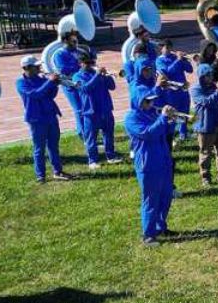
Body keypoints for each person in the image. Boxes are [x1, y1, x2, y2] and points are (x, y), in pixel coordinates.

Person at [125, 89, 175, 245]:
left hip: (163, 159)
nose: (151, 104)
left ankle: (160, 227)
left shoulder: (153, 113)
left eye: (152, 100)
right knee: (151, 200)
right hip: (148, 162)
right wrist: (163, 119)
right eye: (147, 101)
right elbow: (147, 133)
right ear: (138, 101)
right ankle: (148, 234)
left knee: (166, 196)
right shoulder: (131, 118)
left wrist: (170, 122)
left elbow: (163, 132)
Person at [15, 55, 71, 183]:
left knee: (53, 146)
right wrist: (49, 82)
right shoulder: (21, 82)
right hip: (36, 118)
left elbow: (50, 95)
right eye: (36, 66)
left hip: (50, 114)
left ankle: (58, 171)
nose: (39, 68)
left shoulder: (40, 78)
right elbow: (35, 95)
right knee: (39, 148)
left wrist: (55, 85)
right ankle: (40, 175)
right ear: (26, 68)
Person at [73, 52, 120, 170]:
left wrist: (107, 76)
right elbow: (85, 89)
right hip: (91, 112)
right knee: (91, 137)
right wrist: (97, 76)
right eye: (87, 63)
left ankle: (111, 156)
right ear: (80, 64)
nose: (90, 65)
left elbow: (112, 87)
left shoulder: (97, 74)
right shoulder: (77, 77)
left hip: (106, 109)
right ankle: (92, 160)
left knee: (108, 134)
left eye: (92, 62)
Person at [190, 63, 218, 186]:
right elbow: (206, 102)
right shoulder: (195, 89)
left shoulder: (215, 87)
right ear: (201, 76)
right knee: (206, 153)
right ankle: (206, 177)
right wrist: (217, 92)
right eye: (208, 75)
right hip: (205, 125)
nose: (211, 77)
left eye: (211, 74)